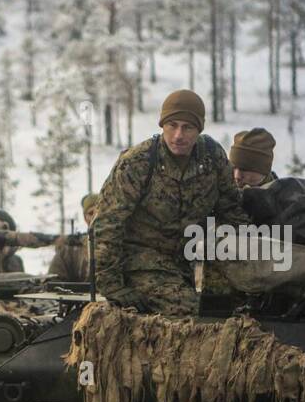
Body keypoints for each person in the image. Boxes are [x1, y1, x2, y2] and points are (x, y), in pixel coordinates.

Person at [94, 89, 249, 317]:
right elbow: (107, 225)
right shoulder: (138, 163)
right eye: (172, 125)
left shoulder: (212, 158)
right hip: (139, 262)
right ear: (162, 126)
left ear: (199, 129)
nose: (178, 135)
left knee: (230, 308)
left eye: (187, 127)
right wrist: (113, 287)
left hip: (184, 262)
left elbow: (232, 211)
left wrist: (251, 256)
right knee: (190, 312)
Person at [47, 194, 99, 283]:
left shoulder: (122, 244)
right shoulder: (68, 250)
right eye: (91, 213)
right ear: (85, 218)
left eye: (100, 212)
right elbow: (54, 283)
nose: (96, 217)